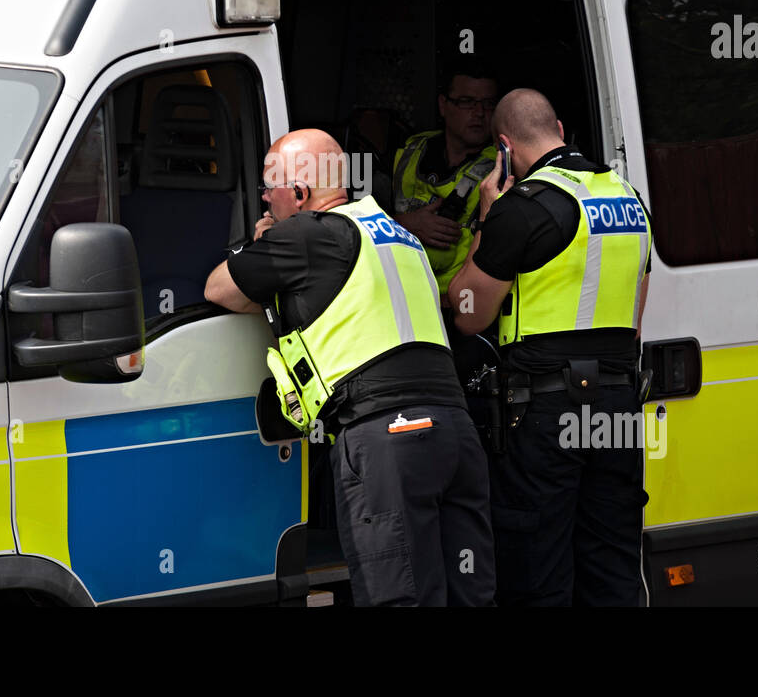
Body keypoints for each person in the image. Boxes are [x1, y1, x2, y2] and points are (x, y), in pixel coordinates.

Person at [205, 128, 495, 606]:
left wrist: (260, 245)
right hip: (455, 432)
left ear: (299, 193)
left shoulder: (304, 234)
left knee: (398, 595)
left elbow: (220, 290)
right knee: (470, 594)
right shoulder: (397, 236)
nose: (263, 200)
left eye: (268, 188)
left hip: (388, 441)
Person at [448, 89, 652, 607]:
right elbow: (633, 322)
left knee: (539, 570)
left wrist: (483, 221)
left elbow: (469, 313)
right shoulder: (629, 199)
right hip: (618, 409)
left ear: (503, 147)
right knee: (612, 565)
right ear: (560, 128)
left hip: (545, 412)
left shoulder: (522, 209)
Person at [392, 67, 499, 295]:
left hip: (459, 306)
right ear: (443, 105)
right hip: (396, 294)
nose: (479, 113)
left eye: (488, 104)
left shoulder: (504, 166)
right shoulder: (410, 149)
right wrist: (404, 223)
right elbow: (355, 216)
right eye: (467, 102)